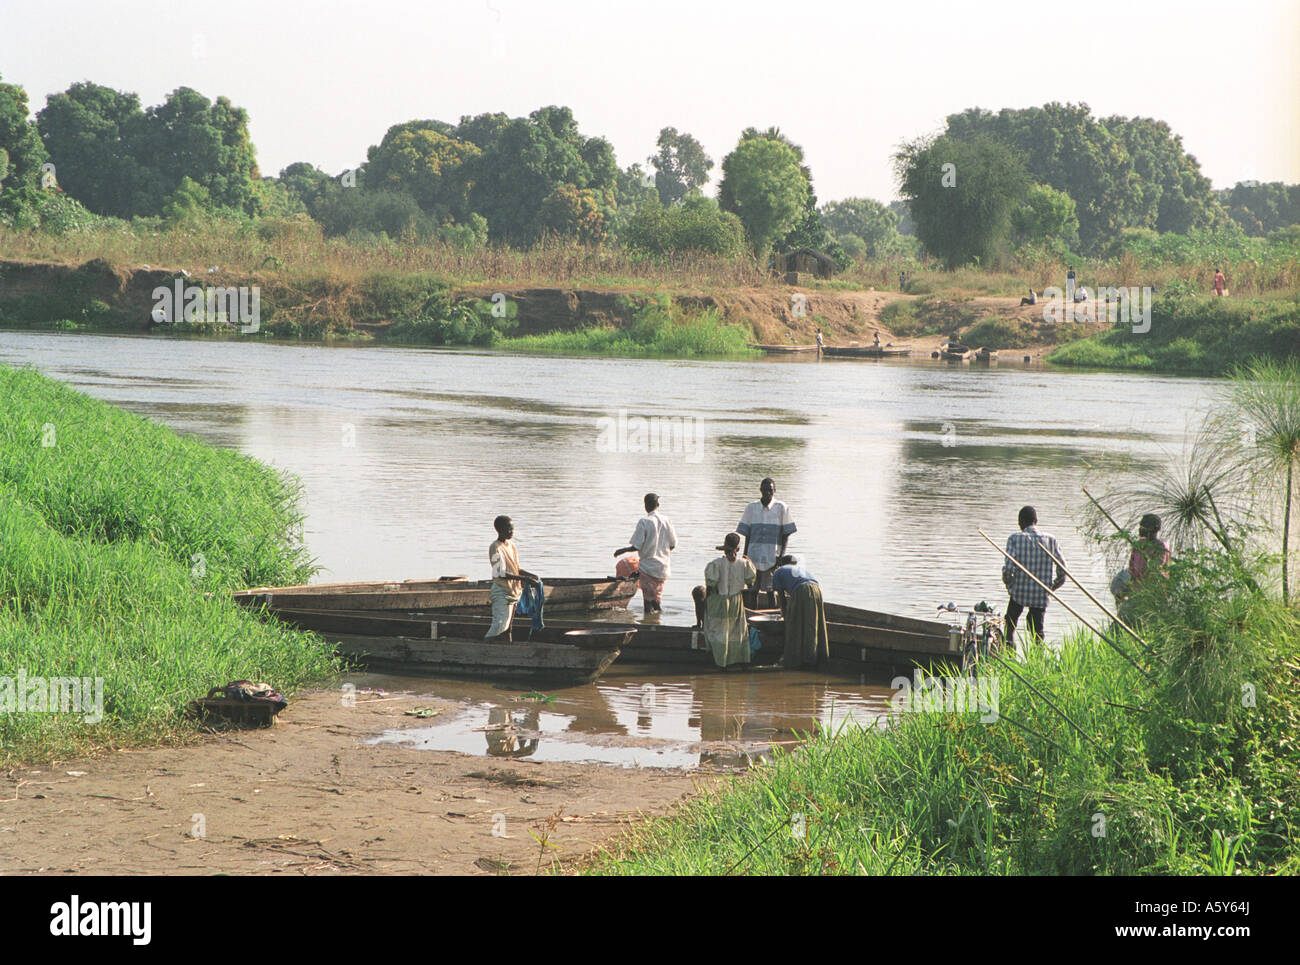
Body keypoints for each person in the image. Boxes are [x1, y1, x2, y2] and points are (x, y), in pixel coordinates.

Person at [1001, 506, 1066, 650]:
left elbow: (1008, 569)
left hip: (1019, 592)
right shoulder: (1051, 540)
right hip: (1040, 595)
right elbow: (1063, 571)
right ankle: (1038, 659)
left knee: (1010, 624)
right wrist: (1050, 588)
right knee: (1038, 632)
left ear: (1020, 522)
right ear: (1036, 521)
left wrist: (1009, 586)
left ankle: (1009, 654)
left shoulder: (1014, 539)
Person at [737, 477, 796, 608]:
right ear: (760, 490)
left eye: (770, 490)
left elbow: (786, 534)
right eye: (764, 490)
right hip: (754, 555)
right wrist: (745, 555)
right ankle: (753, 617)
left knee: (771, 590)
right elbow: (747, 534)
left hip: (772, 556)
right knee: (753, 590)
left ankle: (771, 615)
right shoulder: (751, 508)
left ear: (774, 491)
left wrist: (780, 555)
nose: (767, 492)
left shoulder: (781, 508)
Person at [613, 492, 677, 615]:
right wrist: (661, 552)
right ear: (658, 504)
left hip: (648, 567)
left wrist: (622, 550)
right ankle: (657, 622)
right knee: (656, 599)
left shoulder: (644, 521)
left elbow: (636, 546)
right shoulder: (667, 520)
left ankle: (648, 625)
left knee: (648, 602)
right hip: (663, 568)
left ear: (645, 506)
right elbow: (673, 544)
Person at [699, 533, 756, 668]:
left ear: (724, 548)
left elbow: (711, 584)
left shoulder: (715, 564)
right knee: (735, 631)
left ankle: (720, 662)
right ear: (738, 548)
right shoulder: (745, 564)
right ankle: (736, 660)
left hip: (719, 601)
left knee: (719, 631)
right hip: (736, 601)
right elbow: (750, 580)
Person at [485, 515, 540, 642]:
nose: (511, 532)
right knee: (499, 625)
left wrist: (531, 576)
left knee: (508, 627)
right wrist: (524, 579)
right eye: (508, 529)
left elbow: (516, 568)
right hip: (501, 591)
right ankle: (485, 644)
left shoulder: (511, 546)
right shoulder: (495, 547)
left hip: (514, 591)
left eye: (512, 529)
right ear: (499, 530)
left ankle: (508, 648)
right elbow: (500, 573)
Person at [771, 555, 828, 668]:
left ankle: (795, 659)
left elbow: (781, 597)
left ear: (780, 564)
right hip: (817, 591)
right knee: (813, 624)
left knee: (795, 624)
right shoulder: (800, 570)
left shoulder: (778, 572)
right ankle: (815, 657)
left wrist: (785, 615)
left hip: (801, 590)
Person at [1128, 513, 1170, 588]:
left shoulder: (1161, 547)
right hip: (1136, 586)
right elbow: (1131, 566)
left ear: (1154, 529)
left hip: (1153, 587)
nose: (1140, 529)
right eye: (1140, 526)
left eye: (1144, 527)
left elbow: (1156, 569)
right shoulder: (1138, 545)